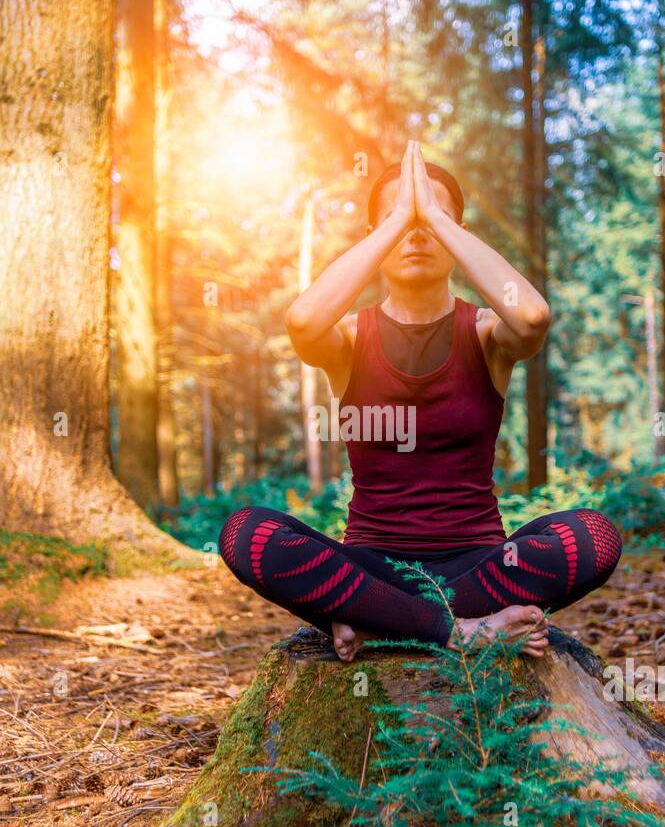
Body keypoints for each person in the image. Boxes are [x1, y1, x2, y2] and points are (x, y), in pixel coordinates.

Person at [219, 141, 622, 661]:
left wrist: (432, 216)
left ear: (457, 236)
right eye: (397, 221)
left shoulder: (483, 334)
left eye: (433, 221)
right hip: (369, 567)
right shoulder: (347, 340)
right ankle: (457, 631)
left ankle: (382, 623)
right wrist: (399, 221)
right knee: (245, 533)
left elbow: (533, 318)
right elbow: (301, 322)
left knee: (595, 535)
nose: (416, 233)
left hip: (480, 568)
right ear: (376, 238)